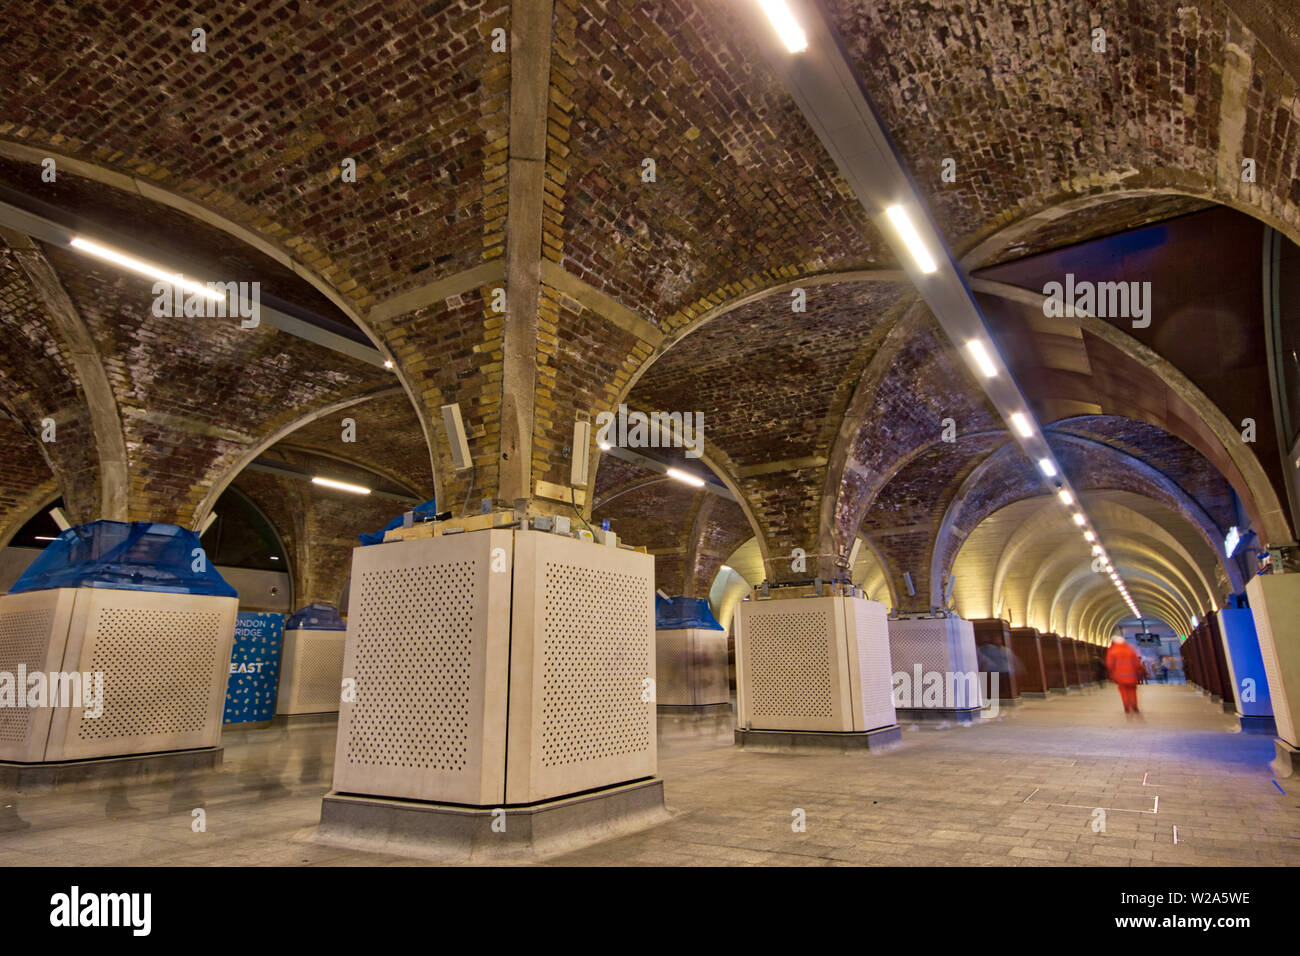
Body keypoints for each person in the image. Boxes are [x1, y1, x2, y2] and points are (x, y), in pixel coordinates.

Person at [1106, 636, 1145, 717]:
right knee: (1132, 691)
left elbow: (1110, 665)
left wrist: (1112, 674)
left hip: (1120, 676)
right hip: (1131, 676)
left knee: (1123, 691)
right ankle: (1134, 706)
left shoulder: (1112, 650)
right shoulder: (1130, 648)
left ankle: (1126, 707)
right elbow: (1137, 663)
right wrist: (1138, 670)